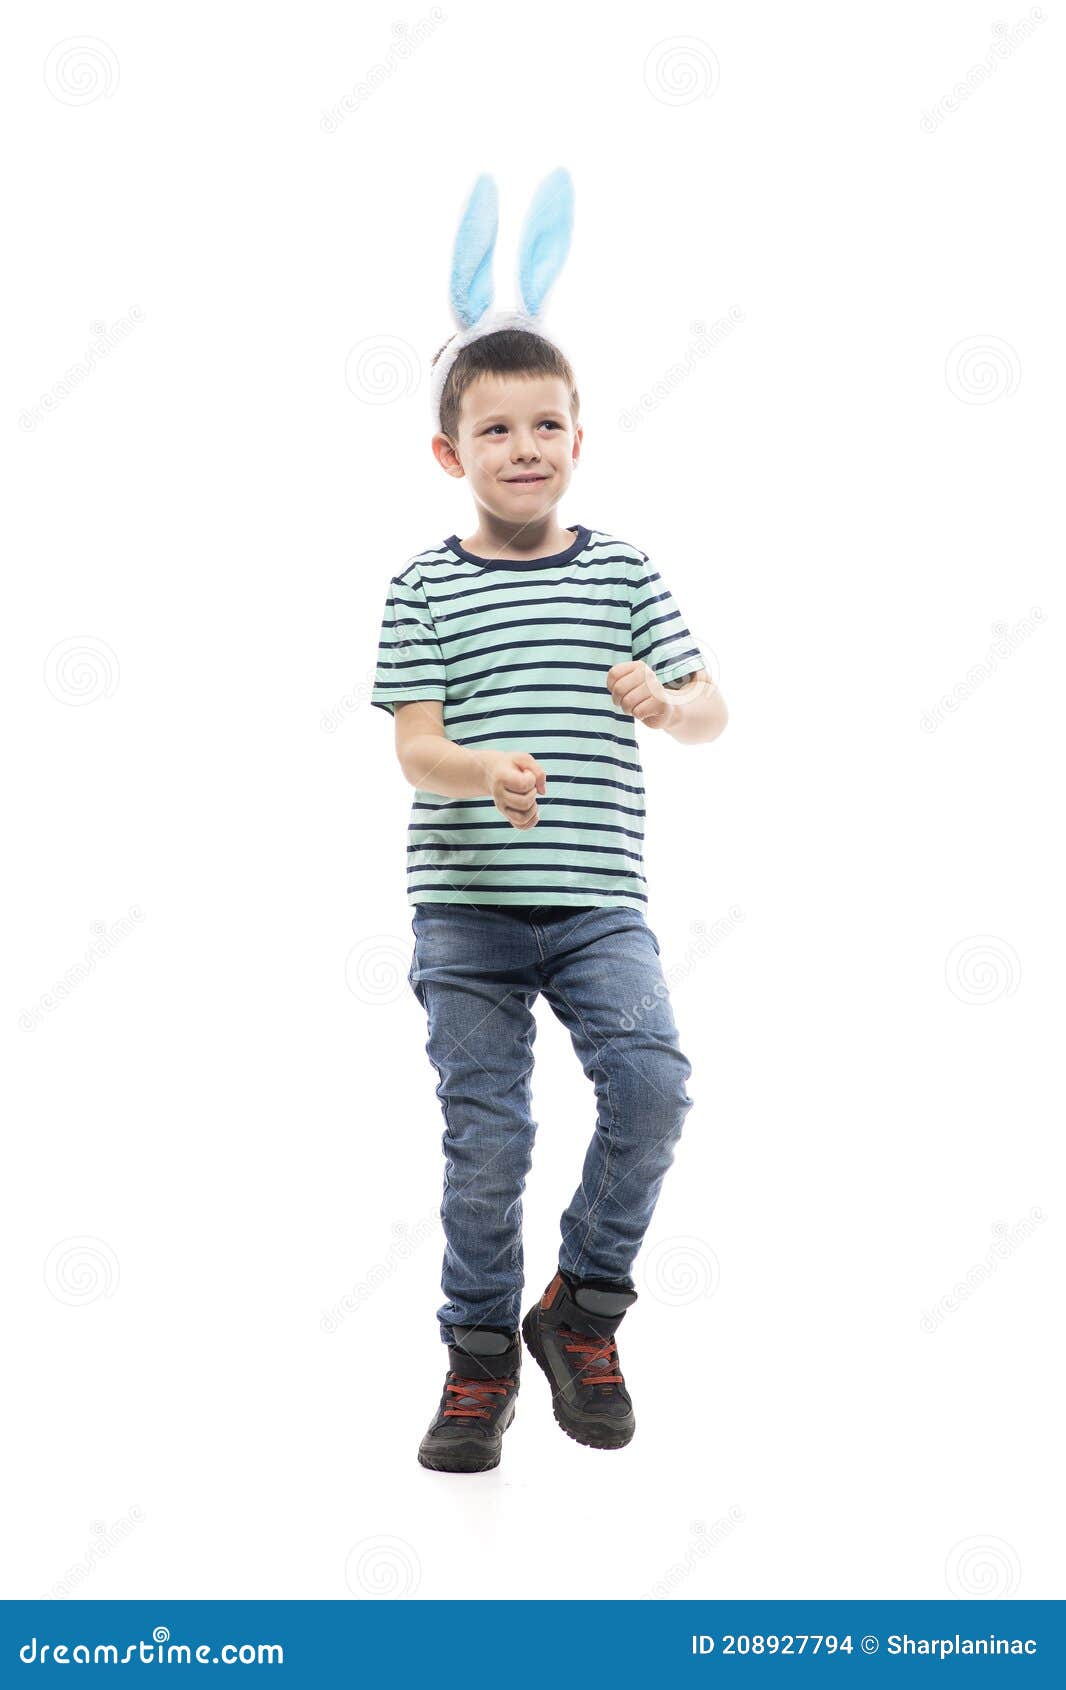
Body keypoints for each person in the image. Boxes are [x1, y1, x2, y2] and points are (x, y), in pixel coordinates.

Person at [370, 171, 728, 1473]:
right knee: (489, 1140)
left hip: (594, 909)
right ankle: (475, 1358)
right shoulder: (420, 588)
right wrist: (483, 774)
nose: (523, 448)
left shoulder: (623, 570)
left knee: (649, 1079)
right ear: (447, 451)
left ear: (580, 435)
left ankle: (580, 1306)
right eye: (494, 429)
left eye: (546, 424)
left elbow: (710, 710)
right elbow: (415, 747)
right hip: (466, 915)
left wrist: (665, 697)